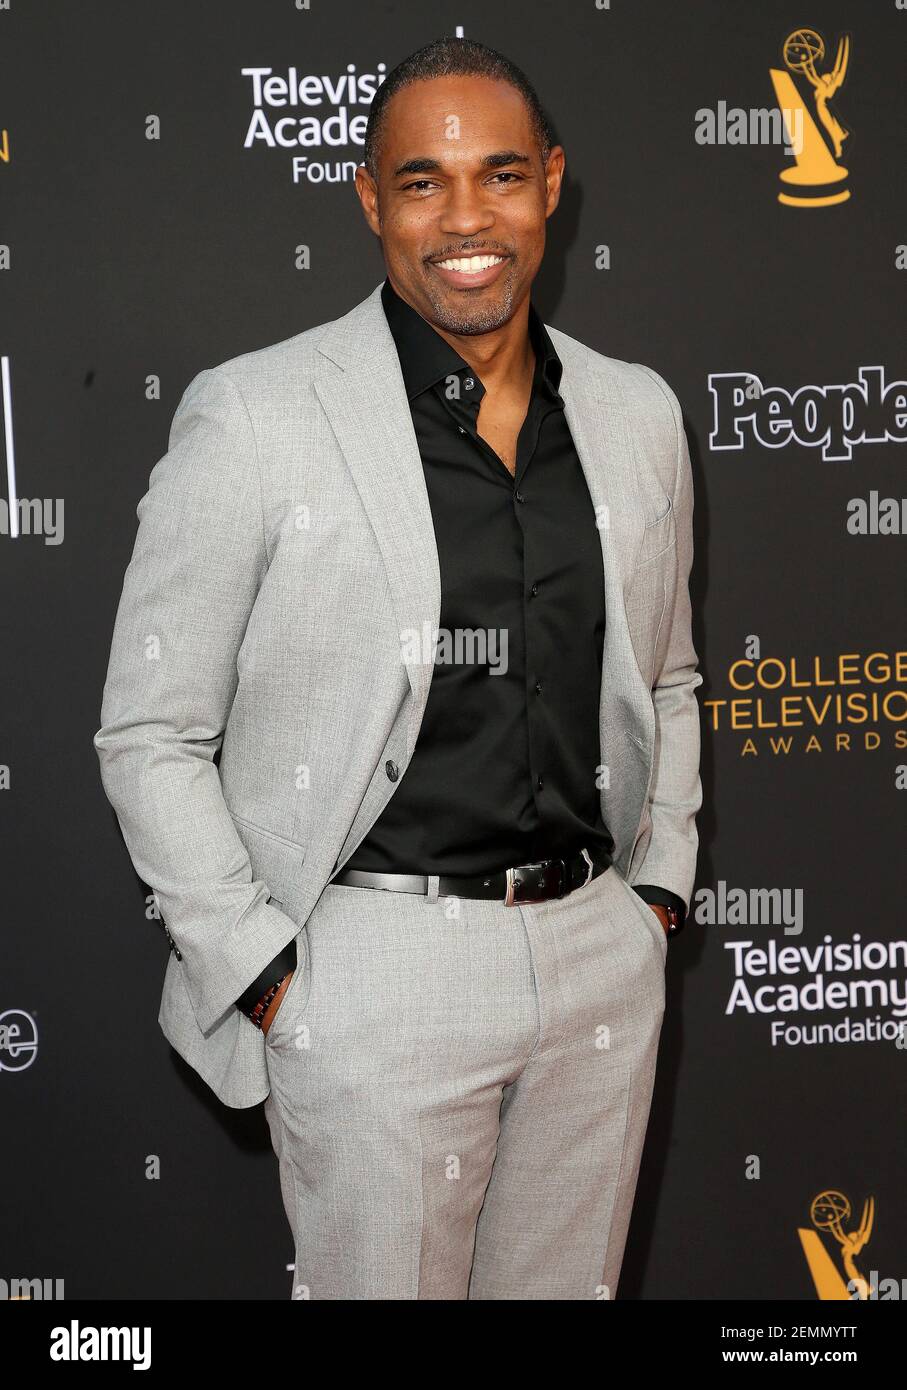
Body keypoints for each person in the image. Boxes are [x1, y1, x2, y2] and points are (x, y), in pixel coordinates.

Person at [94, 35, 702, 1300]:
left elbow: (668, 677)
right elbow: (151, 733)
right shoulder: (255, 414)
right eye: (423, 182)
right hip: (372, 972)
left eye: (500, 175)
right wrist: (267, 974)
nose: (465, 219)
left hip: (594, 952)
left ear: (550, 184)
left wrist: (653, 899)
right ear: (371, 200)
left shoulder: (637, 412)